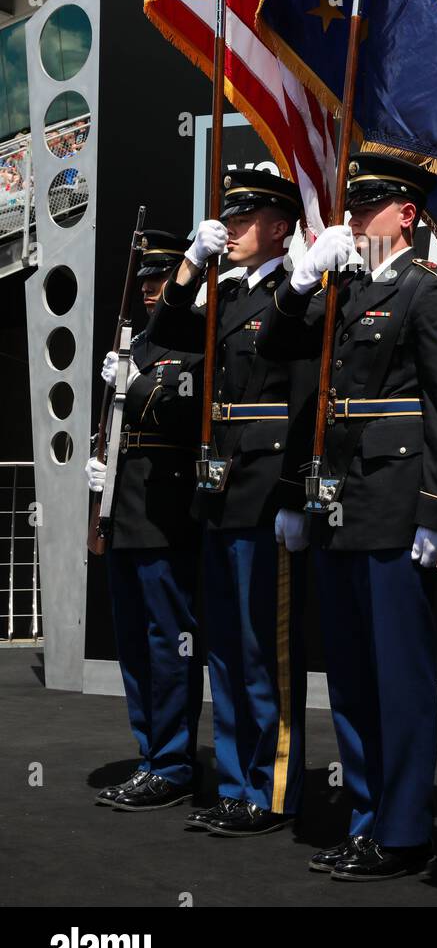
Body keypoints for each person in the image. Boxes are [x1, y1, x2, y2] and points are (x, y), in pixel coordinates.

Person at [259, 152, 437, 881]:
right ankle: (365, 818)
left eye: (364, 209)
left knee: (398, 679)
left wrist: (435, 515)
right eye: (349, 210)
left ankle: (406, 828)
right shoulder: (345, 291)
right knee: (350, 675)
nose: (350, 221)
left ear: (406, 215)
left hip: (395, 509)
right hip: (340, 504)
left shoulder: (430, 294)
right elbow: (276, 343)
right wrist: (298, 281)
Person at [146, 170, 307, 838]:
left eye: (245, 217)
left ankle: (270, 793)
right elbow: (163, 331)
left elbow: (302, 400)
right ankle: (238, 782)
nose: (232, 228)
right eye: (227, 217)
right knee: (223, 652)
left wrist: (295, 489)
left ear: (279, 226)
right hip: (217, 489)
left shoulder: (295, 295)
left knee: (259, 651)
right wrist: (189, 263)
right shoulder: (224, 293)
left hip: (263, 484)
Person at [85, 230, 204, 810]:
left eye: (163, 279)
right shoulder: (133, 343)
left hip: (166, 511)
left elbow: (184, 421)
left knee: (169, 642)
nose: (153, 290)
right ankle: (150, 751)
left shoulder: (193, 338)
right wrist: (102, 458)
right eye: (147, 281)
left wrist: (136, 385)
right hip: (123, 509)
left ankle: (176, 761)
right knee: (133, 641)